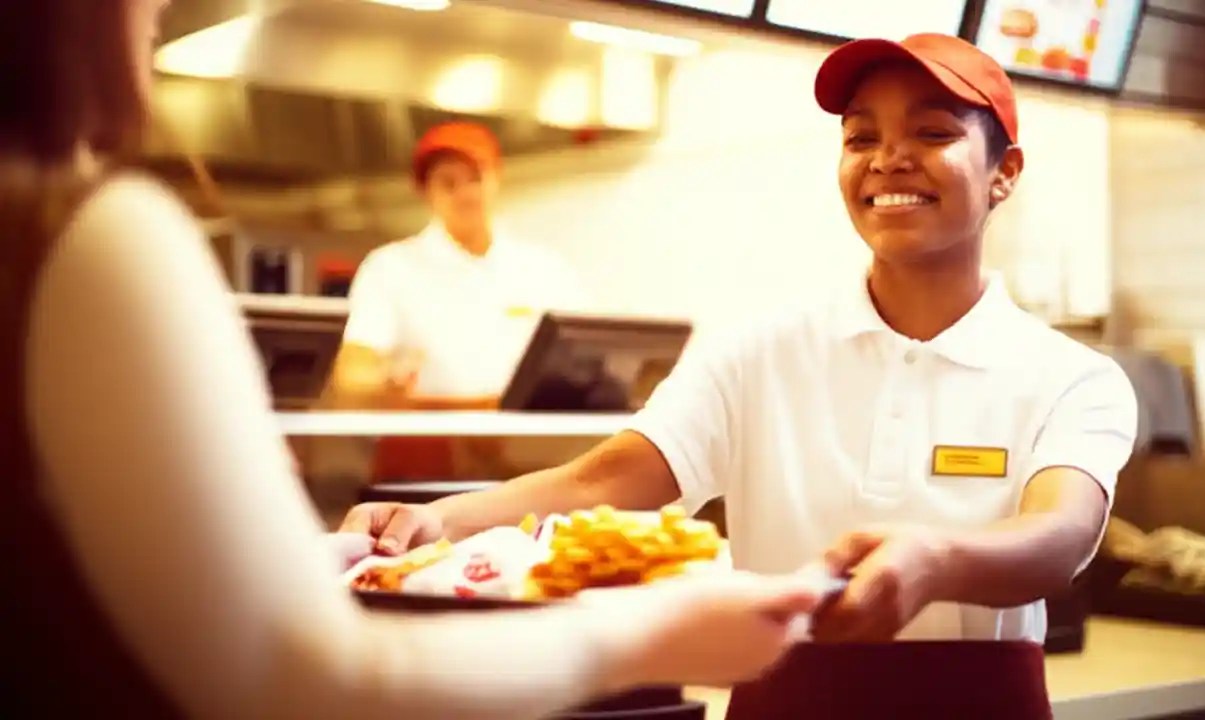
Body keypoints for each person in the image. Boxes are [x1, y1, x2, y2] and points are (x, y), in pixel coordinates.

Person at [0, 1, 824, 717]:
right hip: (424, 471)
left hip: (488, 493)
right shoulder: (99, 234)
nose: (158, 11)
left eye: (473, 178)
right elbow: (301, 680)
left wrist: (305, 559)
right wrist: (649, 633)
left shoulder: (540, 270)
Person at [342, 33, 1138, 718]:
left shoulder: (1070, 376)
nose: (889, 157)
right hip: (784, 701)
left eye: (930, 132)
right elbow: (612, 478)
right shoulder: (758, 350)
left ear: (1004, 172)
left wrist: (938, 562)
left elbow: (1058, 536)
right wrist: (445, 521)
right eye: (861, 138)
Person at [327, 120, 587, 410]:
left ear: (496, 179)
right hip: (426, 444)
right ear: (426, 192)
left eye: (475, 178)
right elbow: (351, 376)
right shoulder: (389, 269)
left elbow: (588, 356)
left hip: (531, 444)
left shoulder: (545, 270)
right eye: (448, 183)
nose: (465, 193)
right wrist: (383, 382)